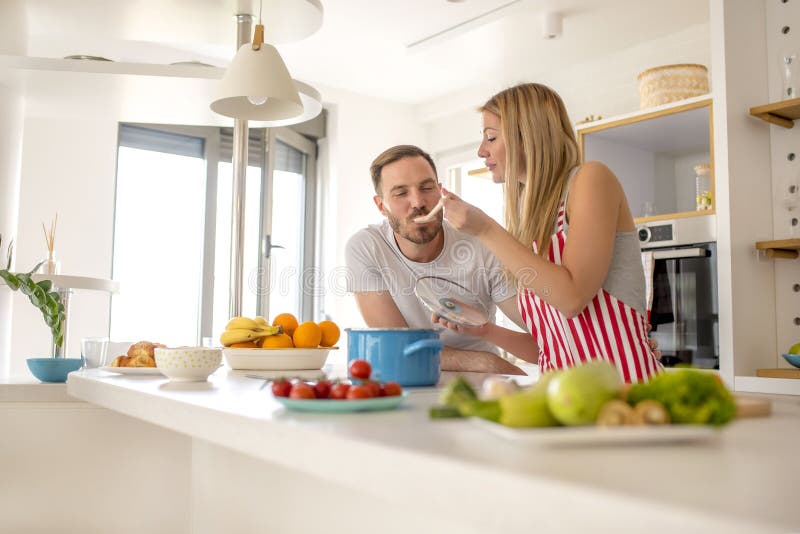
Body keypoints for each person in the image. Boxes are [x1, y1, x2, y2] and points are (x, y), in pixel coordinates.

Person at [439, 83, 663, 383]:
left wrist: (484, 229)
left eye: (491, 137)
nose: (482, 151)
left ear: (527, 136)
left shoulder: (591, 179)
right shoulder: (530, 225)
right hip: (564, 403)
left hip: (627, 396)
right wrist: (484, 330)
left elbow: (570, 298)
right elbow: (552, 346)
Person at [345, 145, 537, 375]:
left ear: (441, 192)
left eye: (426, 188)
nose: (417, 202)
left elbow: (544, 336)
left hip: (482, 385)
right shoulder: (366, 246)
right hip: (412, 379)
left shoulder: (481, 243)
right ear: (381, 206)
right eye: (401, 193)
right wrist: (485, 362)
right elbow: (397, 346)